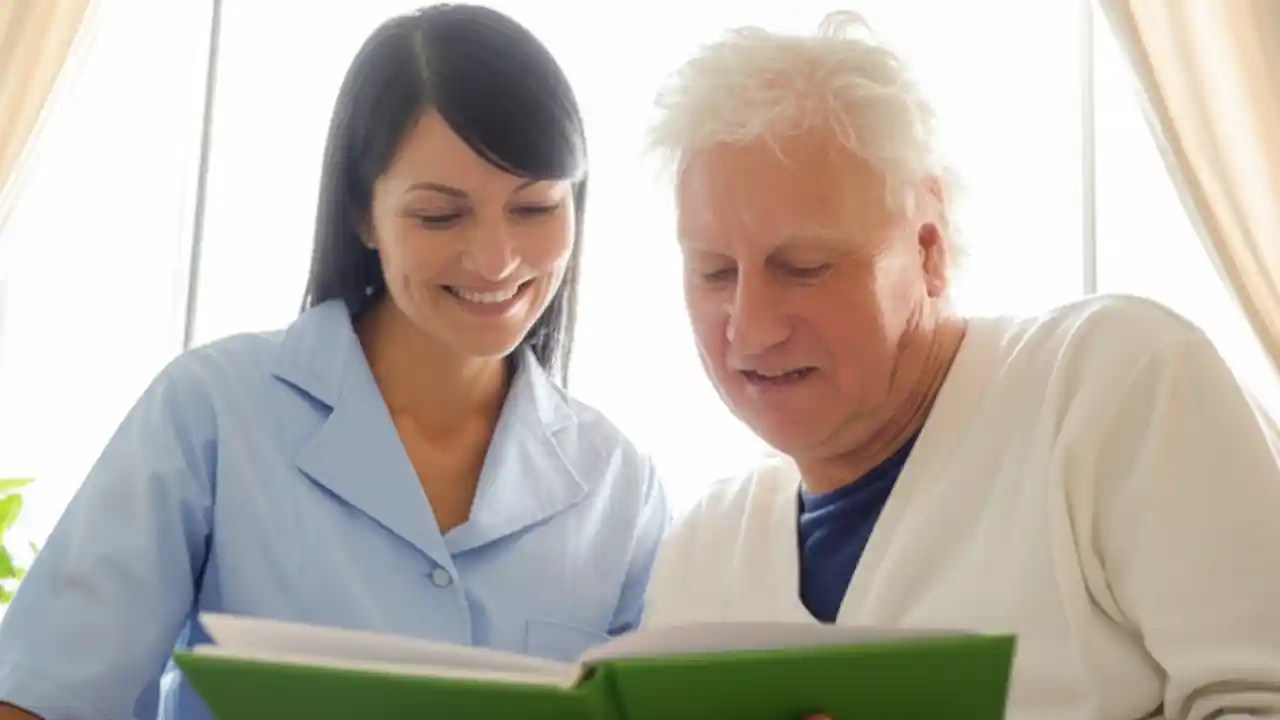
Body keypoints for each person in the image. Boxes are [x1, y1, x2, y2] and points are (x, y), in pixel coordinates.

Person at [0, 6, 668, 719]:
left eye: (535, 208)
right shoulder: (214, 413)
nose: (497, 260)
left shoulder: (619, 487)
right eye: (440, 216)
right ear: (361, 213)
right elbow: (43, 696)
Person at [641, 11, 1280, 720]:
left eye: (804, 268)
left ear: (928, 250)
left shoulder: (1112, 389)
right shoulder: (702, 554)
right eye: (713, 273)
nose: (750, 331)